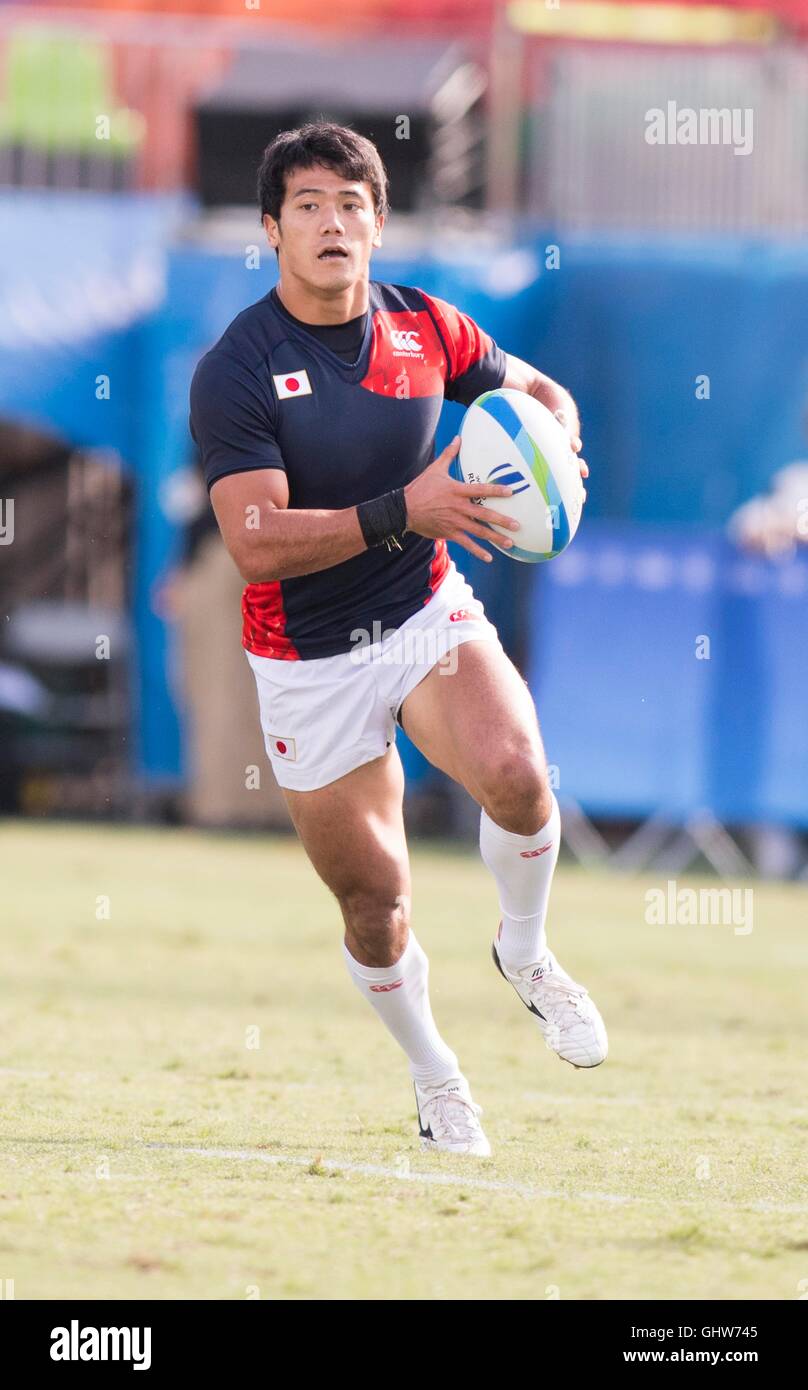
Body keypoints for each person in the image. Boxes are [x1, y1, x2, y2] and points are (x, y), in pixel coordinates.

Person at [189, 122, 607, 1157]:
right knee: (376, 905)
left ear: (378, 223)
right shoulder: (238, 368)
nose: (332, 222)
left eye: (351, 204)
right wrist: (400, 509)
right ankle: (436, 1075)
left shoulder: (426, 324)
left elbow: (539, 393)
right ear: (271, 230)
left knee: (517, 772)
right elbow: (253, 544)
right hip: (305, 658)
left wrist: (563, 456)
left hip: (423, 609)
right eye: (309, 206)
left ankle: (526, 952)